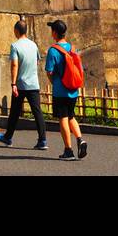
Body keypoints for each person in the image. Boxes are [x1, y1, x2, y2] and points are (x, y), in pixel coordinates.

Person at [0, 19, 47, 150]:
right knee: (37, 112)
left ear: (16, 31)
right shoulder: (33, 45)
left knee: (14, 111)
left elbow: (14, 64)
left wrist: (13, 83)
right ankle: (43, 140)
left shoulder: (15, 46)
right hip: (33, 83)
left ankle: (8, 137)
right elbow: (36, 62)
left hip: (21, 84)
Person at [45, 19, 88, 161]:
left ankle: (68, 150)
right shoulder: (72, 48)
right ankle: (80, 139)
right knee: (71, 116)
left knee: (63, 118)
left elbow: (49, 71)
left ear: (55, 33)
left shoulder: (53, 50)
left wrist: (54, 83)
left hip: (60, 90)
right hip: (73, 90)